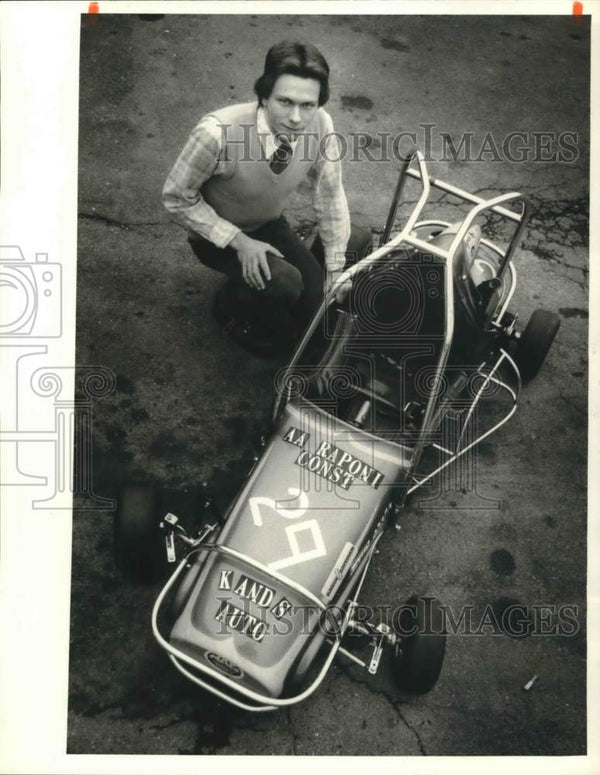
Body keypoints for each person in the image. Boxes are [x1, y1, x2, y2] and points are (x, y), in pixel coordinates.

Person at [162, 40, 372, 356]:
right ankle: (231, 306)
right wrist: (239, 242)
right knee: (285, 286)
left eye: (308, 105)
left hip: (268, 224)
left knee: (318, 320)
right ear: (263, 96)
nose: (297, 118)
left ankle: (280, 285)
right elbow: (176, 198)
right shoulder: (216, 133)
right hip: (215, 238)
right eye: (285, 102)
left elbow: (330, 194)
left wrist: (334, 269)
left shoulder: (321, 124)